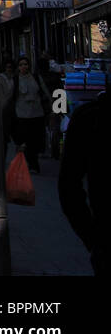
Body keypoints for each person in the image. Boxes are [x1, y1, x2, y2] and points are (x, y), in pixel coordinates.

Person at [58, 90, 108, 276]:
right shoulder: (91, 117)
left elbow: (68, 186)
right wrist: (93, 239)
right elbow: (69, 187)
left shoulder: (89, 115)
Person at [12, 57, 47, 174]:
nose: (24, 67)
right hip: (22, 114)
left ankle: (33, 163)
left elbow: (45, 92)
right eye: (21, 65)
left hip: (36, 113)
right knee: (25, 141)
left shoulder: (35, 78)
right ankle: (30, 164)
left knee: (35, 140)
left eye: (26, 64)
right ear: (18, 67)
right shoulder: (16, 80)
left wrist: (53, 106)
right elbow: (10, 96)